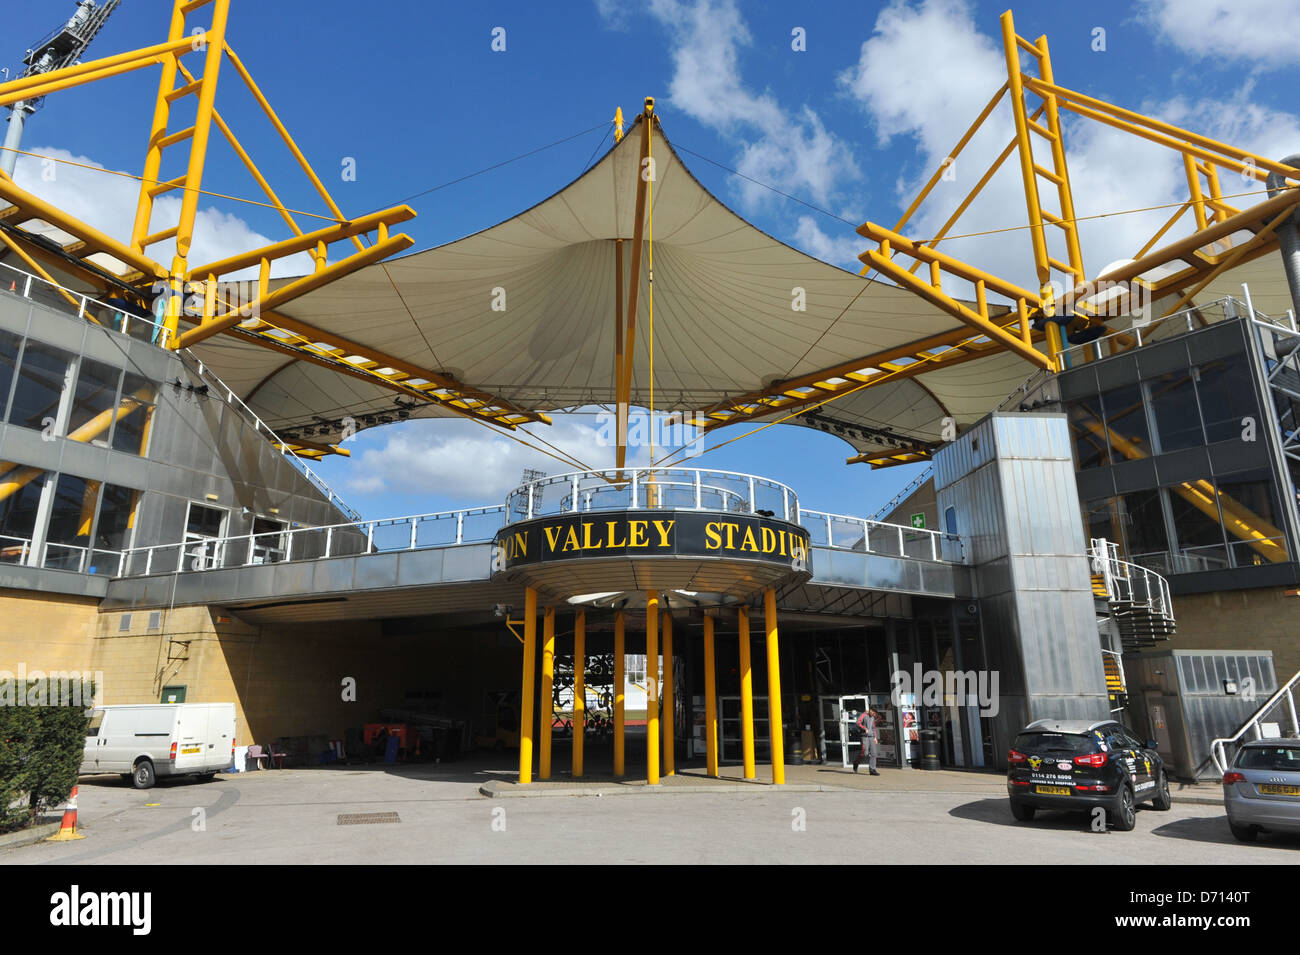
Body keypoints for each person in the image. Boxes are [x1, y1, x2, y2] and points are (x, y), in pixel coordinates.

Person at [853, 707, 881, 775]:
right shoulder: (864, 715)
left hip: (871, 737)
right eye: (873, 713)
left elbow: (873, 727)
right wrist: (864, 728)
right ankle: (856, 763)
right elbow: (858, 723)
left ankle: (872, 769)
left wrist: (875, 738)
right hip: (864, 737)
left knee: (874, 753)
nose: (874, 715)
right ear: (870, 710)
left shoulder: (873, 717)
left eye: (875, 714)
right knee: (864, 753)